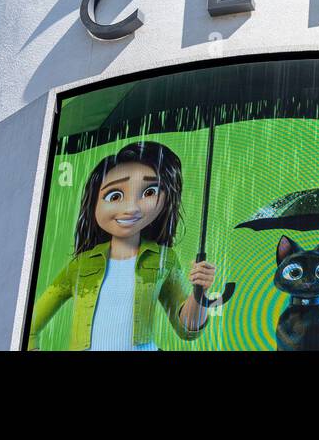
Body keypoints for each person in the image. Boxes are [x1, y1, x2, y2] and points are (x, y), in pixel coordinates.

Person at [28, 141, 215, 350]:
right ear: (94, 203)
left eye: (149, 192)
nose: (130, 208)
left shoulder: (164, 259)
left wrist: (200, 293)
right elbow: (31, 325)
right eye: (114, 195)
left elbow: (186, 329)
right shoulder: (80, 266)